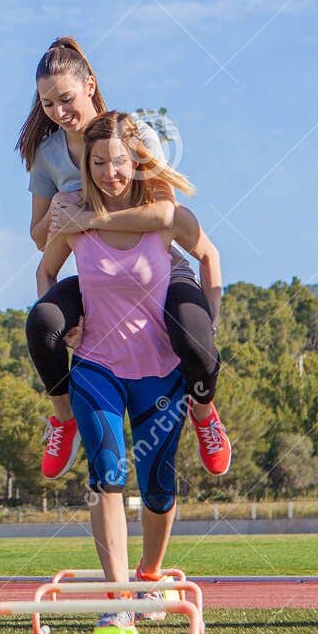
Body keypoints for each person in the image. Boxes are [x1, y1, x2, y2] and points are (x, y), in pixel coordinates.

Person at [37, 111, 222, 627]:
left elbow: (209, 256)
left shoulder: (164, 216)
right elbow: (46, 270)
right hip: (97, 366)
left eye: (118, 161)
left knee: (158, 486)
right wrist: (65, 324)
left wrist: (209, 324)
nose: (109, 173)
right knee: (106, 474)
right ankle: (118, 598)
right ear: (86, 165)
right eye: (98, 162)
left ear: (136, 161)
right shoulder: (72, 217)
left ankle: (149, 575)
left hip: (159, 369)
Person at [19, 37, 230, 481]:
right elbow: (40, 240)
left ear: (90, 85)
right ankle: (64, 419)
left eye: (66, 99)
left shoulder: (134, 134)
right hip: (97, 275)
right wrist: (59, 210)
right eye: (48, 104)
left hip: (157, 270)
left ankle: (204, 413)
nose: (58, 111)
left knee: (196, 340)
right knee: (42, 323)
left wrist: (87, 216)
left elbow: (163, 213)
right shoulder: (48, 156)